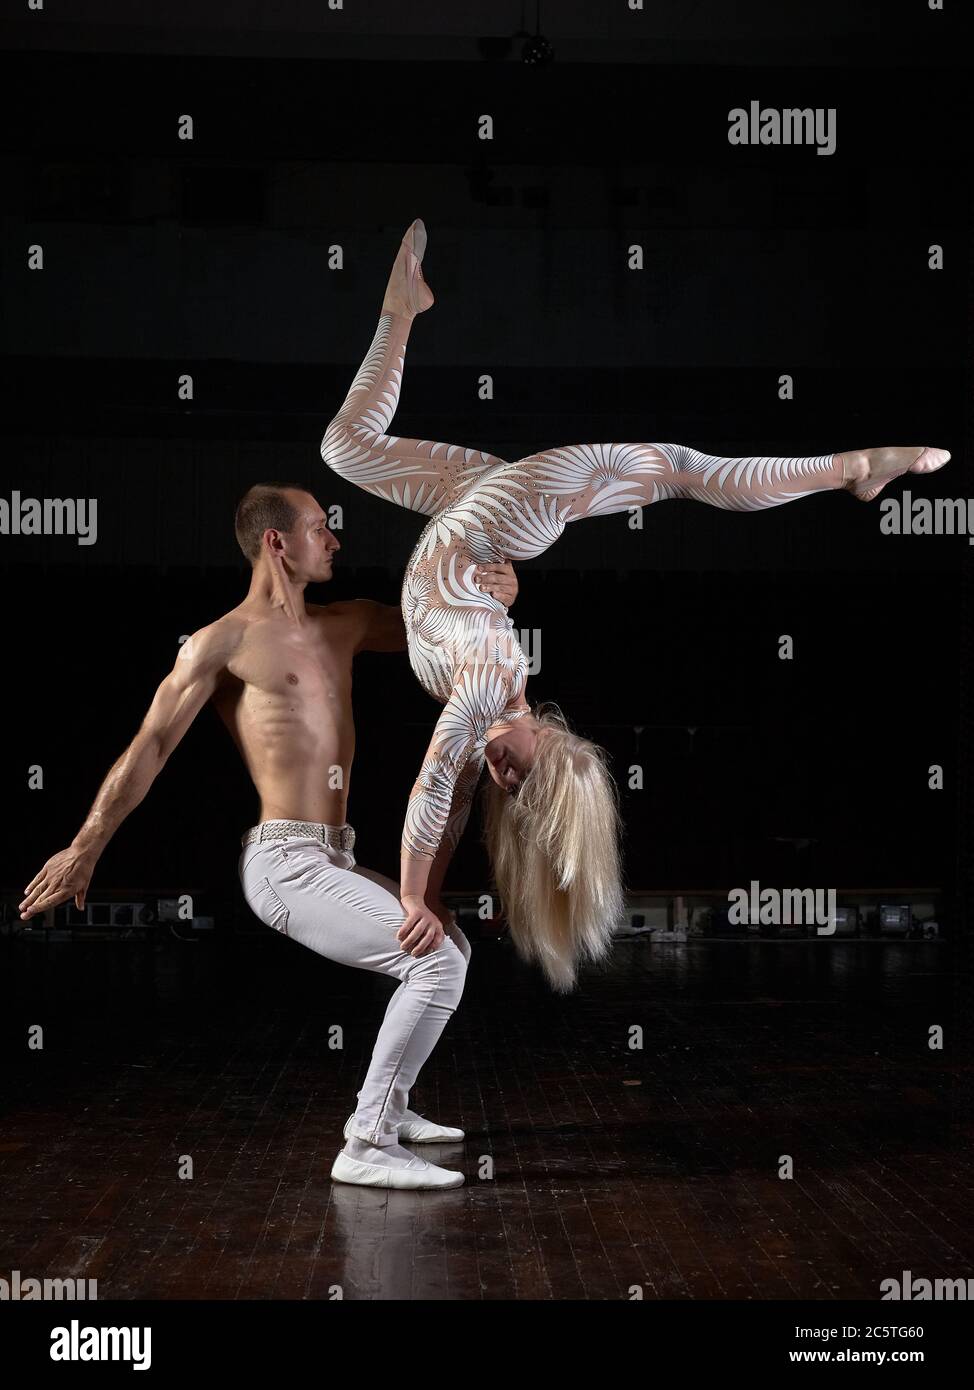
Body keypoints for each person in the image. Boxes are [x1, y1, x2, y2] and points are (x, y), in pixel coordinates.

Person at [320, 217, 951, 996]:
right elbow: (432, 787)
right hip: (500, 513)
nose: (504, 774)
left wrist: (433, 890)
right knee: (678, 469)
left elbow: (448, 801)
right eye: (524, 775)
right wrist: (413, 894)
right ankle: (848, 468)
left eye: (509, 790)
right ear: (548, 739)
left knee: (343, 449)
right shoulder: (488, 684)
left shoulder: (481, 705)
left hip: (466, 507)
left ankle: (402, 311)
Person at [18, 485, 520, 1190]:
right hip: (284, 863)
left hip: (334, 852)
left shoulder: (343, 623)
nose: (336, 541)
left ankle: (394, 1109)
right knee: (433, 960)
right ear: (277, 543)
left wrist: (495, 586)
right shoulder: (222, 643)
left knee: (453, 946)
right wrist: (86, 845)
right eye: (322, 529)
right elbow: (152, 744)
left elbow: (438, 623)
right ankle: (366, 1141)